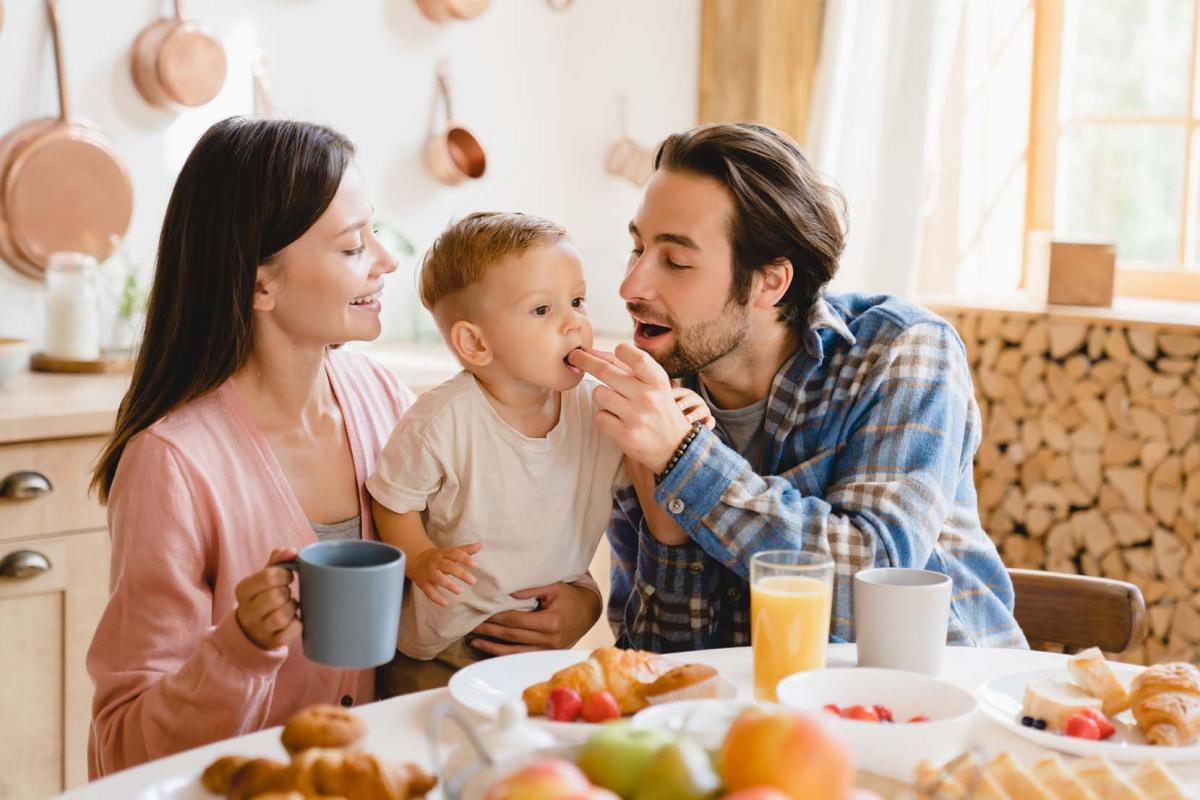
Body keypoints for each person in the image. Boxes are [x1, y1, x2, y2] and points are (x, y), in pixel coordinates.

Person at [567, 122, 1027, 653]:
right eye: (638, 248)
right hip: (762, 723)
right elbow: (661, 665)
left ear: (770, 282)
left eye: (676, 261)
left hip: (939, 709)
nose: (631, 286)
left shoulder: (902, 350)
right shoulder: (649, 397)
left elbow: (872, 590)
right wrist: (669, 537)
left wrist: (684, 462)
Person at [368, 212, 708, 694]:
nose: (575, 323)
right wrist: (421, 559)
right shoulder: (440, 421)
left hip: (541, 646)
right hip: (443, 649)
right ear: (475, 343)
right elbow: (392, 499)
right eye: (542, 311)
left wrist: (675, 433)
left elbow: (661, 515)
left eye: (577, 301)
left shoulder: (596, 407)